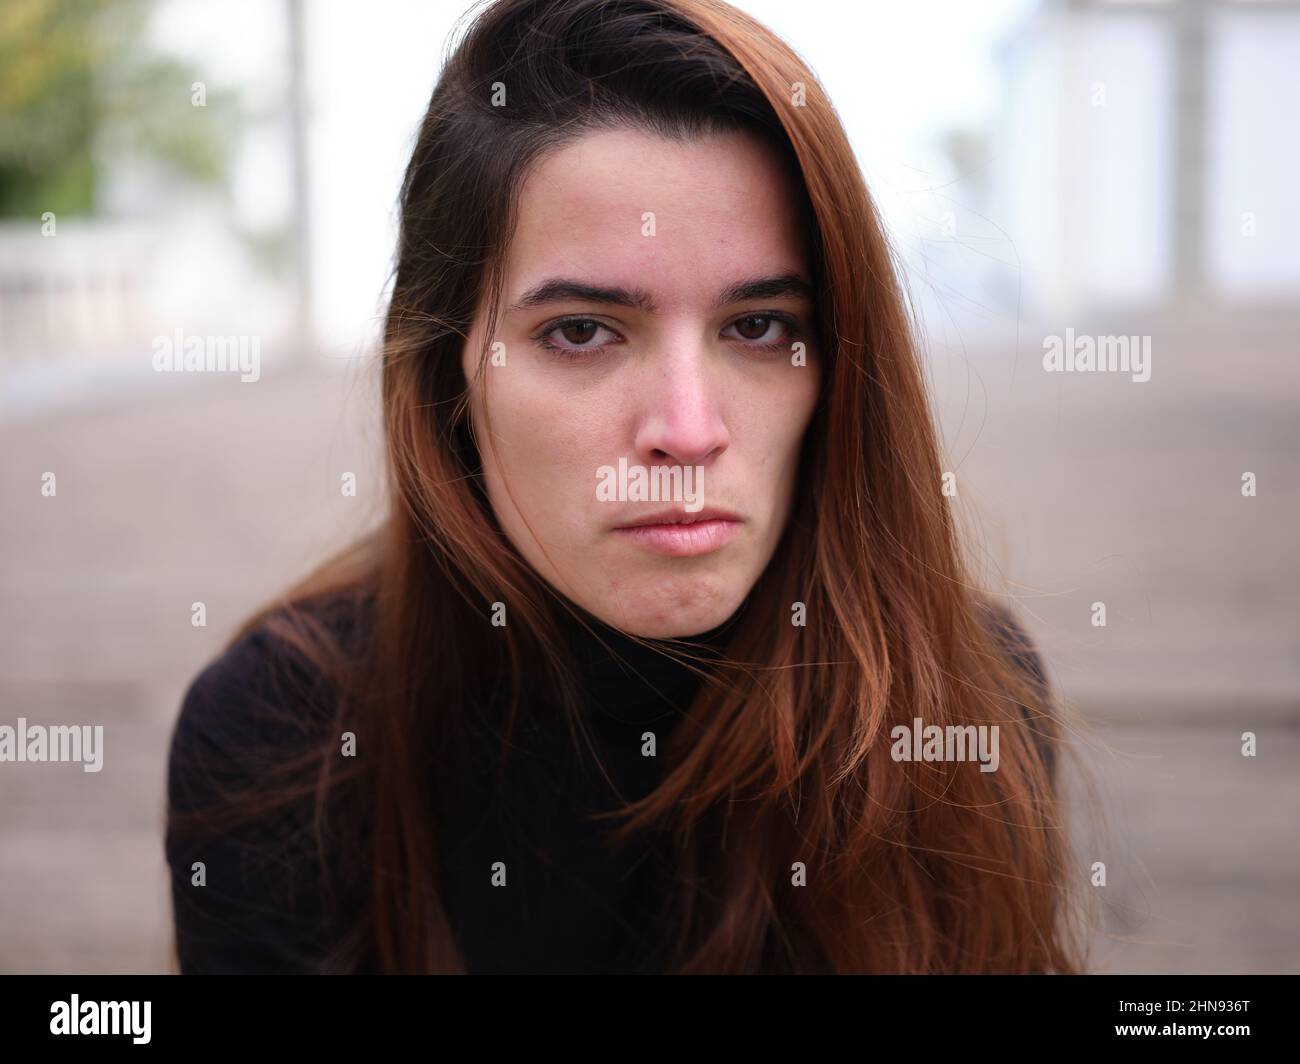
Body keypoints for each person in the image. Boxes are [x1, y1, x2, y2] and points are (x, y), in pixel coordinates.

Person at [165, 0, 1085, 974]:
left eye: (759, 325)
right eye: (580, 331)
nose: (687, 430)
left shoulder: (954, 694)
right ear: (448, 372)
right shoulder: (285, 739)